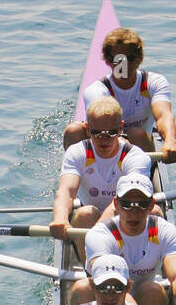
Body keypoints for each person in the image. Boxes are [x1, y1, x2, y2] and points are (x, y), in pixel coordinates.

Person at [82, 172, 176, 305]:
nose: (134, 212)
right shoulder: (100, 235)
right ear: (116, 204)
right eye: (126, 204)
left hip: (146, 298)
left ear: (151, 205)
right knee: (82, 288)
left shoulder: (164, 230)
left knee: (152, 290)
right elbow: (110, 283)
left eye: (141, 204)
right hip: (108, 296)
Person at [63, 26, 176, 162]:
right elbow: (102, 130)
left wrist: (170, 141)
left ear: (139, 59)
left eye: (129, 58)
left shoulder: (154, 82)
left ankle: (140, 176)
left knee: (137, 134)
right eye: (118, 60)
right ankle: (81, 172)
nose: (123, 66)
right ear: (108, 61)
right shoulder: (96, 90)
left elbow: (163, 116)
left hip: (139, 147)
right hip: (103, 145)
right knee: (74, 130)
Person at [50, 98, 152, 239]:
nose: (104, 139)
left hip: (126, 214)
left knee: (155, 213)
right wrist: (60, 217)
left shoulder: (135, 157)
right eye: (97, 133)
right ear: (87, 129)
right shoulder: (77, 152)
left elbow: (127, 199)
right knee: (85, 214)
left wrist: (97, 234)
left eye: (111, 133)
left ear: (121, 128)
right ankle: (90, 260)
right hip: (89, 218)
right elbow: (66, 192)